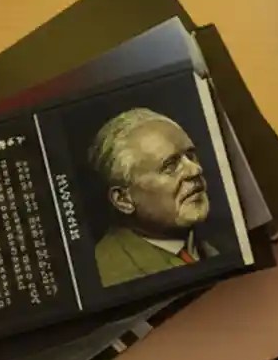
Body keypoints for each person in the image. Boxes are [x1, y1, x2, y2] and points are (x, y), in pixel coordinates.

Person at [87, 108, 217, 287]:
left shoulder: (214, 246)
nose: (195, 170)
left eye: (190, 155)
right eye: (170, 165)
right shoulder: (108, 275)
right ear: (123, 199)